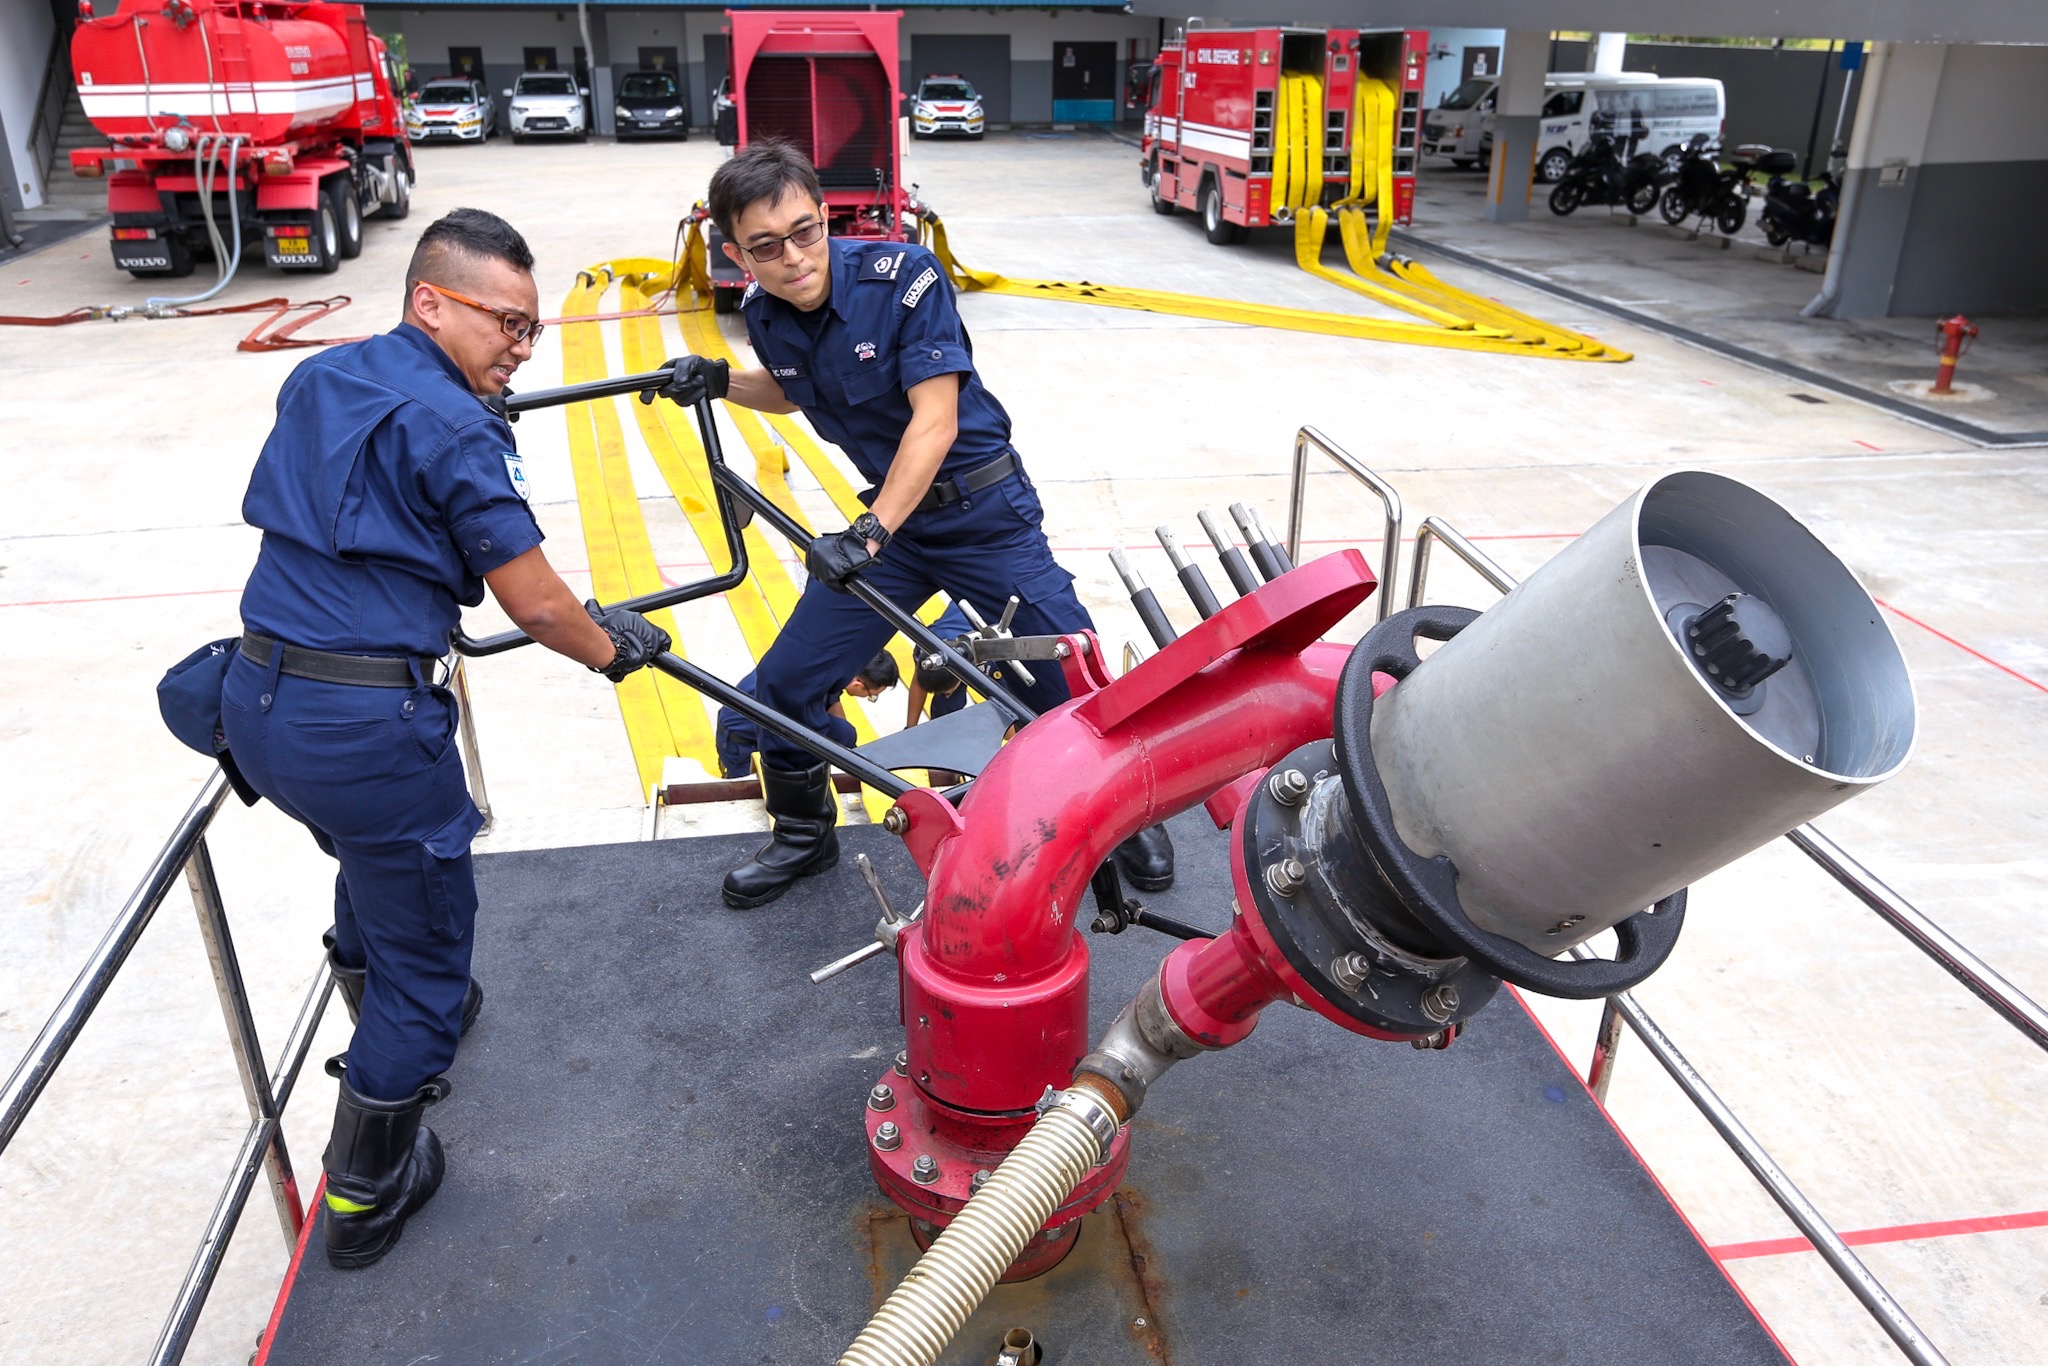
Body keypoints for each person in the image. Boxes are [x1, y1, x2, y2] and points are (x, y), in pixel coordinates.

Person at [220, 208, 676, 1269]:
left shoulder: (322, 377)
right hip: (365, 730)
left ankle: (375, 992)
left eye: (530, 331)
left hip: (260, 701)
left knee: (368, 855)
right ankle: (366, 1193)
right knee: (427, 954)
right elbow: (538, 603)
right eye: (506, 325)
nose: (520, 351)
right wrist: (613, 648)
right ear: (430, 301)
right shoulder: (460, 431)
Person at [701, 142, 1175, 908]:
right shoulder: (763, 314)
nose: (792, 258)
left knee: (1069, 674)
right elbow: (792, 390)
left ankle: (1127, 816)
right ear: (736, 254)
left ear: (824, 216)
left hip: (980, 515)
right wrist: (721, 381)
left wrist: (868, 534)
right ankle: (804, 834)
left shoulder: (904, 279)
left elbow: (936, 419)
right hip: (895, 531)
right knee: (787, 683)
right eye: (765, 246)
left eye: (804, 232)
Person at [715, 651, 900, 779]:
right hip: (741, 742)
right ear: (857, 684)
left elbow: (836, 711)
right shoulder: (809, 689)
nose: (869, 698)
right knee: (751, 794)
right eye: (872, 696)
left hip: (765, 724)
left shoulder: (835, 666)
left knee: (844, 733)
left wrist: (851, 753)